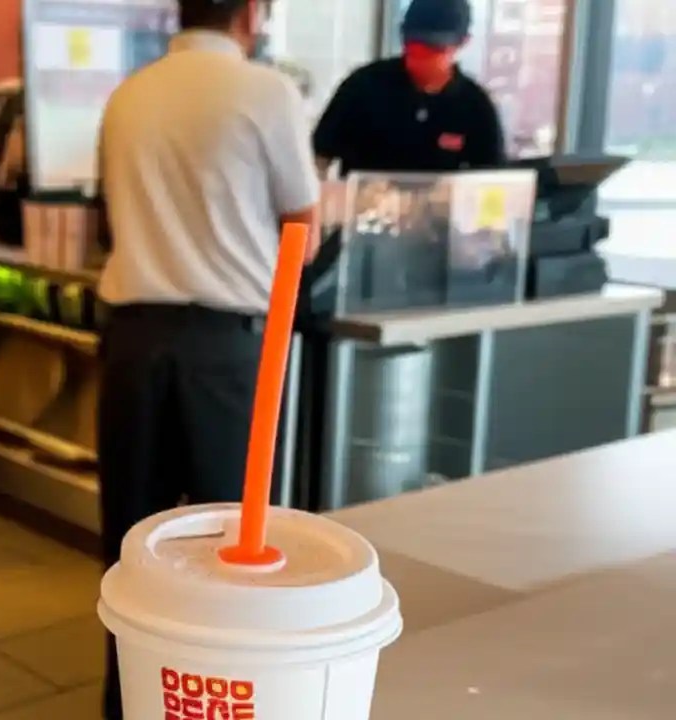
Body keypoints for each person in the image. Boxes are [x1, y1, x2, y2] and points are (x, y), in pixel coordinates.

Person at [95, 0, 318, 717]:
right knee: (233, 549)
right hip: (228, 346)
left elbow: (113, 215)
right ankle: (221, 700)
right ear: (251, 12)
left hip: (130, 338)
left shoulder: (129, 94)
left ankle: (129, 700)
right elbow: (303, 225)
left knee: (133, 550)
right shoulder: (266, 90)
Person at [313, 0, 505, 177]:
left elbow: (491, 182)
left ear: (463, 42)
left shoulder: (476, 106)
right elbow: (317, 158)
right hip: (365, 210)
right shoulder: (362, 86)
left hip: (441, 212)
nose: (420, 59)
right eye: (413, 47)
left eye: (434, 50)